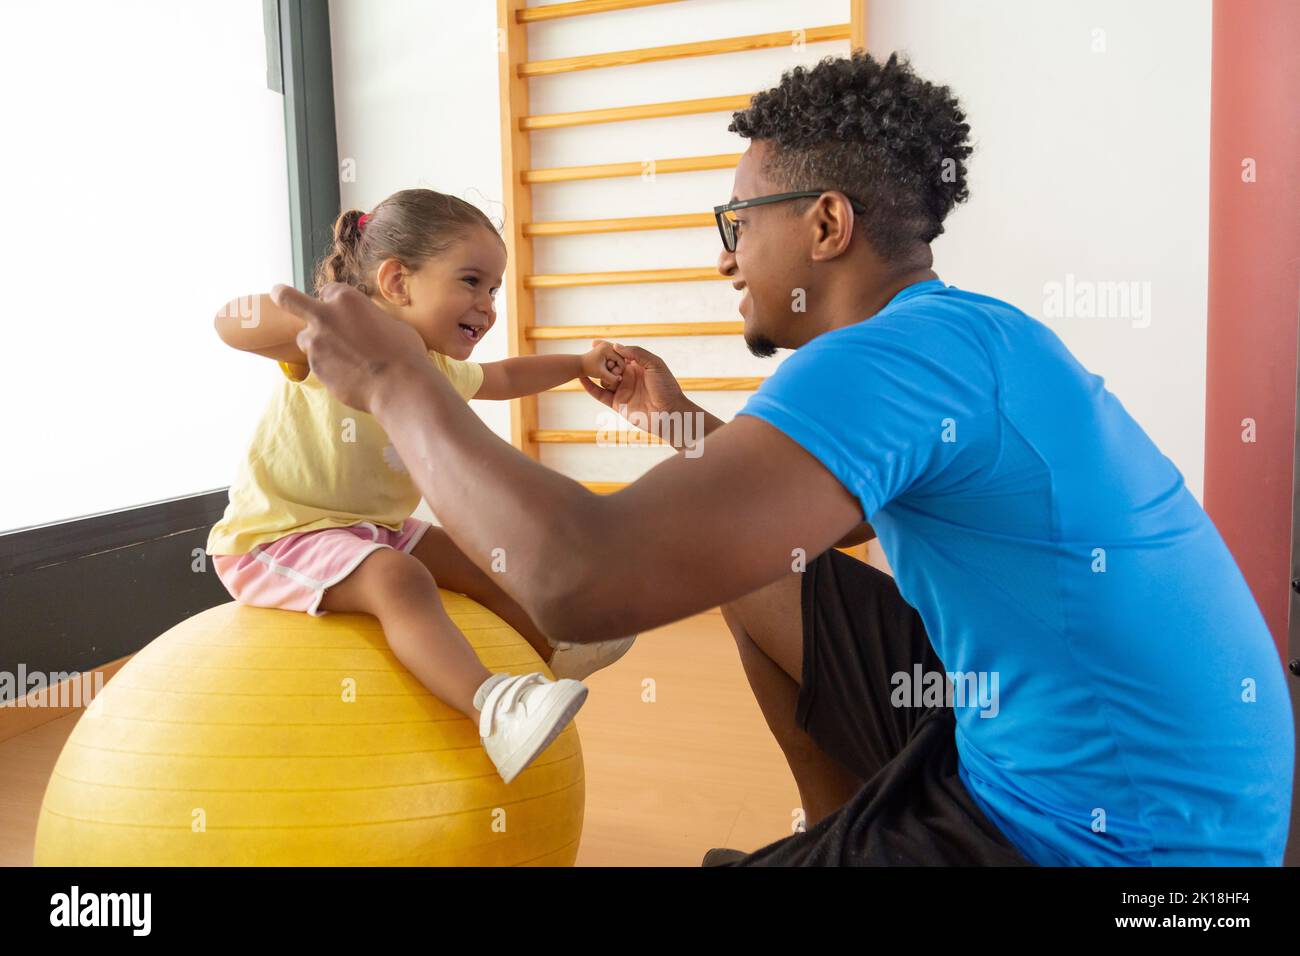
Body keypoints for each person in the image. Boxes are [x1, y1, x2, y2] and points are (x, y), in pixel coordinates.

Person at [270, 52, 1294, 865]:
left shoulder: (879, 360)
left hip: (1107, 839)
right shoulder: (965, 332)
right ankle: (831, 829)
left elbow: (579, 579)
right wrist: (669, 418)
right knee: (761, 567)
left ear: (825, 222)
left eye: (735, 222)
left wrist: (397, 381)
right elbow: (820, 521)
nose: (723, 255)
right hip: (1152, 776)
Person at [206, 188, 636, 784]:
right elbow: (230, 323)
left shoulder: (431, 363)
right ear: (397, 282)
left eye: (493, 290)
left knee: (482, 559)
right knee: (396, 576)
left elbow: (505, 376)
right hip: (277, 538)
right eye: (471, 282)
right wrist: (303, 319)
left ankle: (554, 650)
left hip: (369, 527)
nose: (487, 307)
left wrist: (578, 364)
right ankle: (491, 708)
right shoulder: (336, 342)